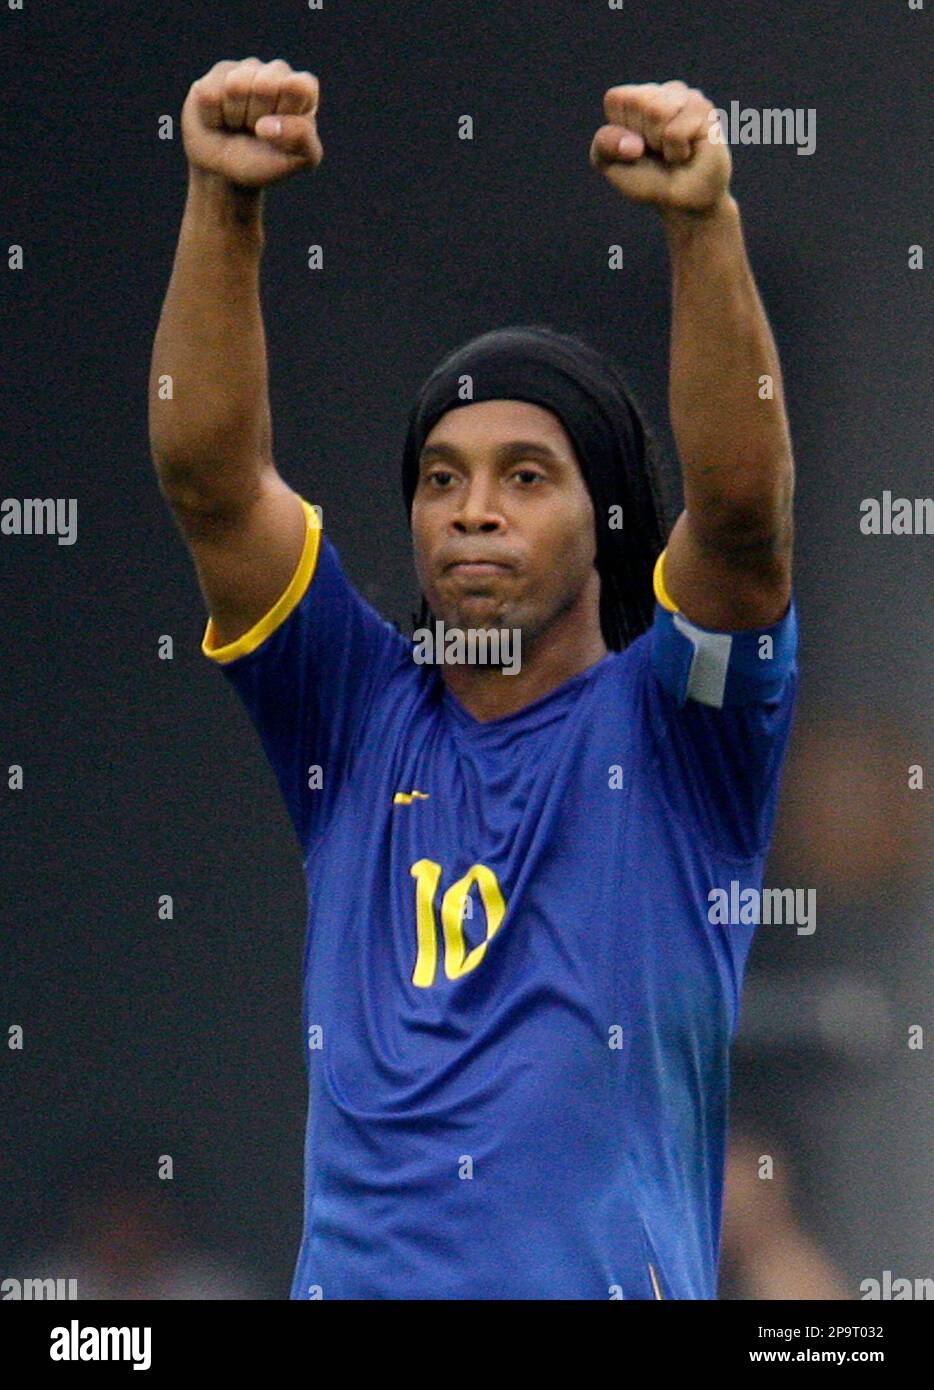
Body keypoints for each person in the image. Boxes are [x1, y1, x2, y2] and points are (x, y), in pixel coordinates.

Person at [149, 59, 797, 1299]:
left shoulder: (680, 725)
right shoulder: (349, 706)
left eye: (524, 476)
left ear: (604, 517)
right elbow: (212, 483)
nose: (471, 514)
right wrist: (220, 206)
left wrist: (702, 227)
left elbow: (741, 519)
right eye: (440, 479)